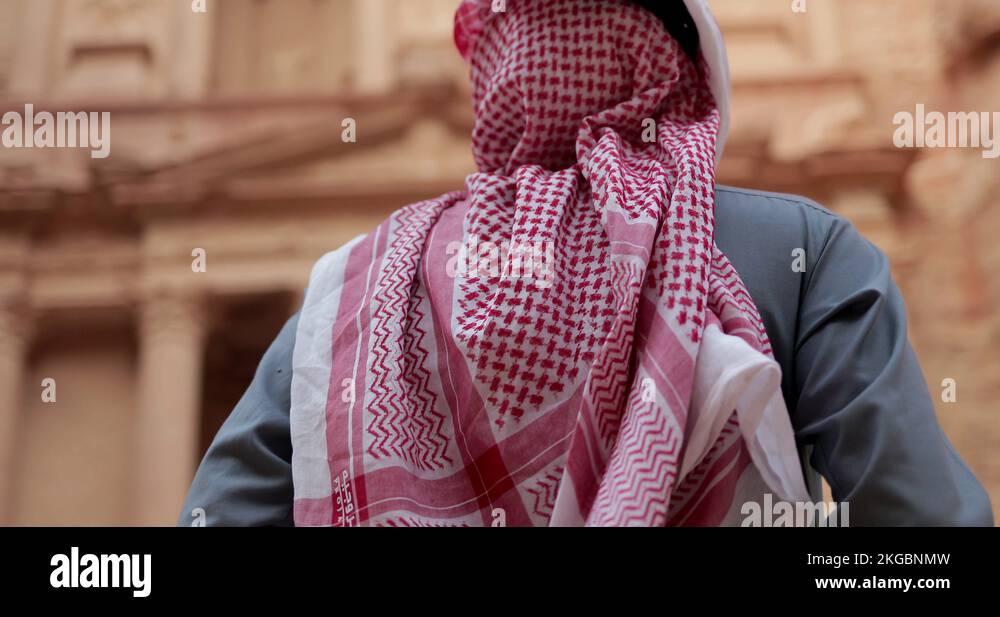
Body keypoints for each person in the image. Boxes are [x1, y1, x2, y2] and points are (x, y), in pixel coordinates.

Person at [179, 0, 993, 527]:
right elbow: (919, 531)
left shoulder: (346, 301)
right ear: (682, 68)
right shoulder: (807, 254)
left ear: (494, 81)